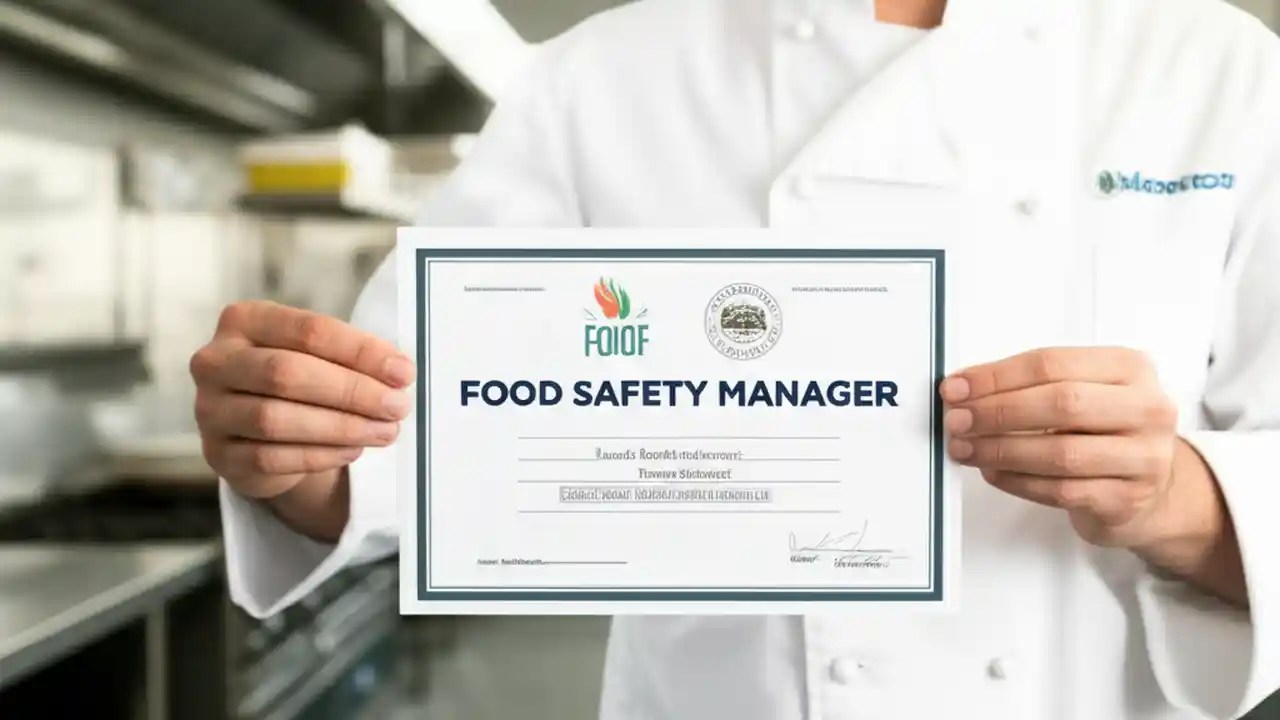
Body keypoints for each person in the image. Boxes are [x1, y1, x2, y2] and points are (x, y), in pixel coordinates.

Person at [190, 0, 1280, 717]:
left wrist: (1172, 496)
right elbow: (415, 442)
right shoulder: (600, 80)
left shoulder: (1213, 73)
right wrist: (301, 451)